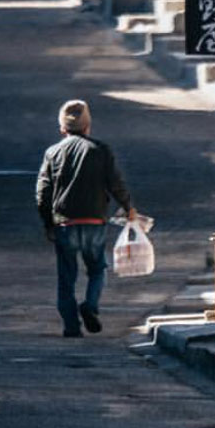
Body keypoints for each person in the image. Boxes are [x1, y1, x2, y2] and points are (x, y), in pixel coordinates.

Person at [35, 98, 136, 337]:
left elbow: (42, 192)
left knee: (66, 278)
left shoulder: (53, 152)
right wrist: (128, 206)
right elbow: (115, 184)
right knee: (98, 269)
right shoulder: (101, 150)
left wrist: (48, 222)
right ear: (88, 127)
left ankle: (71, 327)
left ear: (62, 129)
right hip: (94, 222)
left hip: (64, 224)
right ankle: (90, 305)